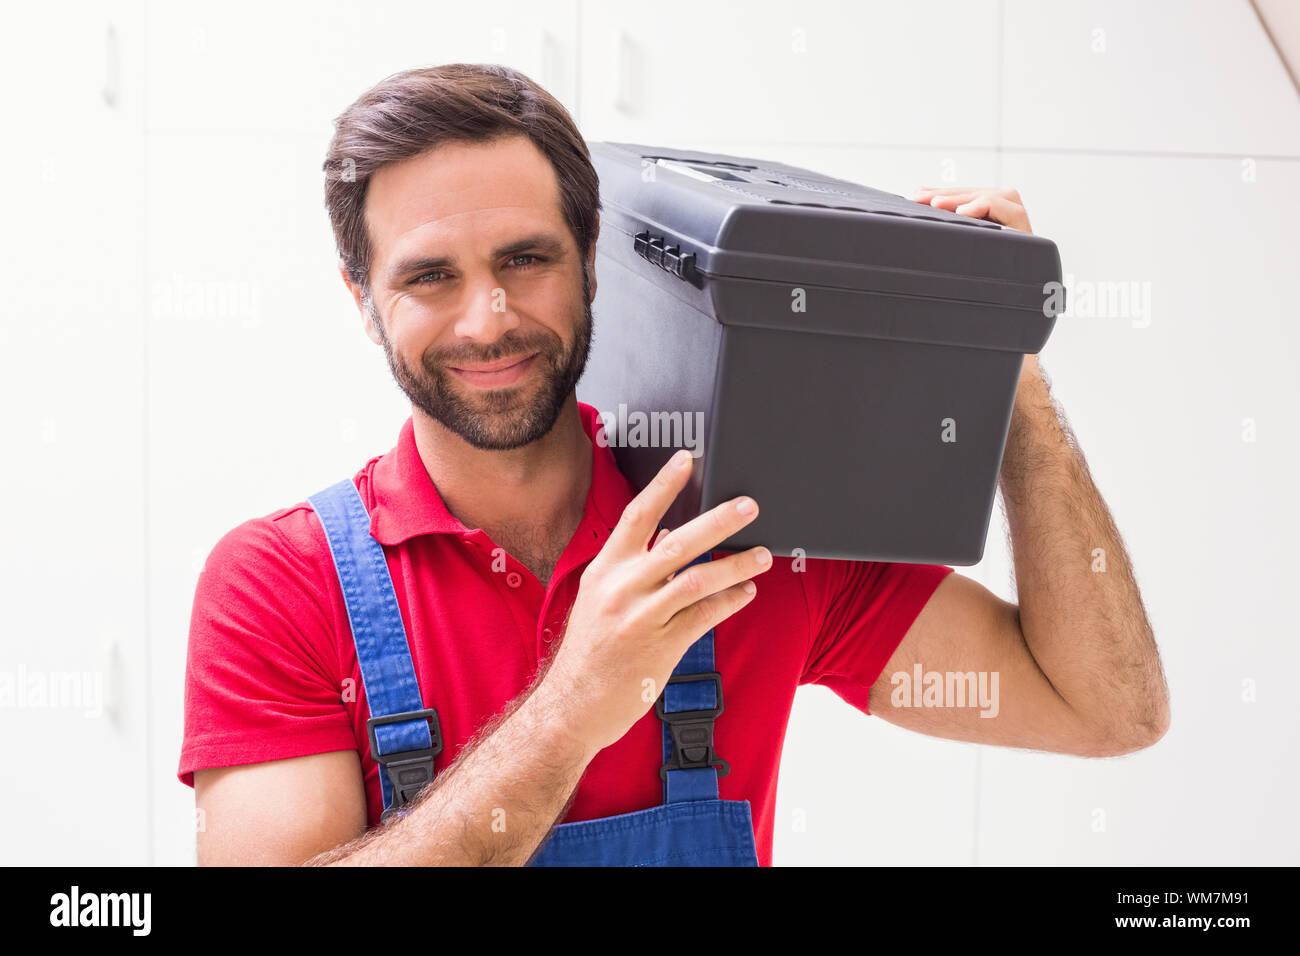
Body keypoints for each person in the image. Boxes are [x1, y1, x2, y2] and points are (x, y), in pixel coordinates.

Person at [178, 63, 1170, 867]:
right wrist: (574, 706)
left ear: (592, 258)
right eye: (430, 276)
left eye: (525, 258)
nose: (488, 319)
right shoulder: (281, 584)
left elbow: (1103, 707)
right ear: (361, 297)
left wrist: (1010, 371)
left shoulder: (744, 529)